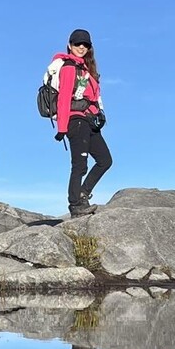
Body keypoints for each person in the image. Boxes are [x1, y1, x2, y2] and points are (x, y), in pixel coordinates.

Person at [45, 28, 113, 217]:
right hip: (75, 120)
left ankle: (82, 194)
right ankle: (75, 205)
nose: (81, 47)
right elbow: (64, 98)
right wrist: (62, 128)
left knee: (105, 160)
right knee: (79, 164)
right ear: (70, 45)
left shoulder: (86, 69)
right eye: (77, 44)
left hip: (89, 120)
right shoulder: (68, 68)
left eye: (85, 44)